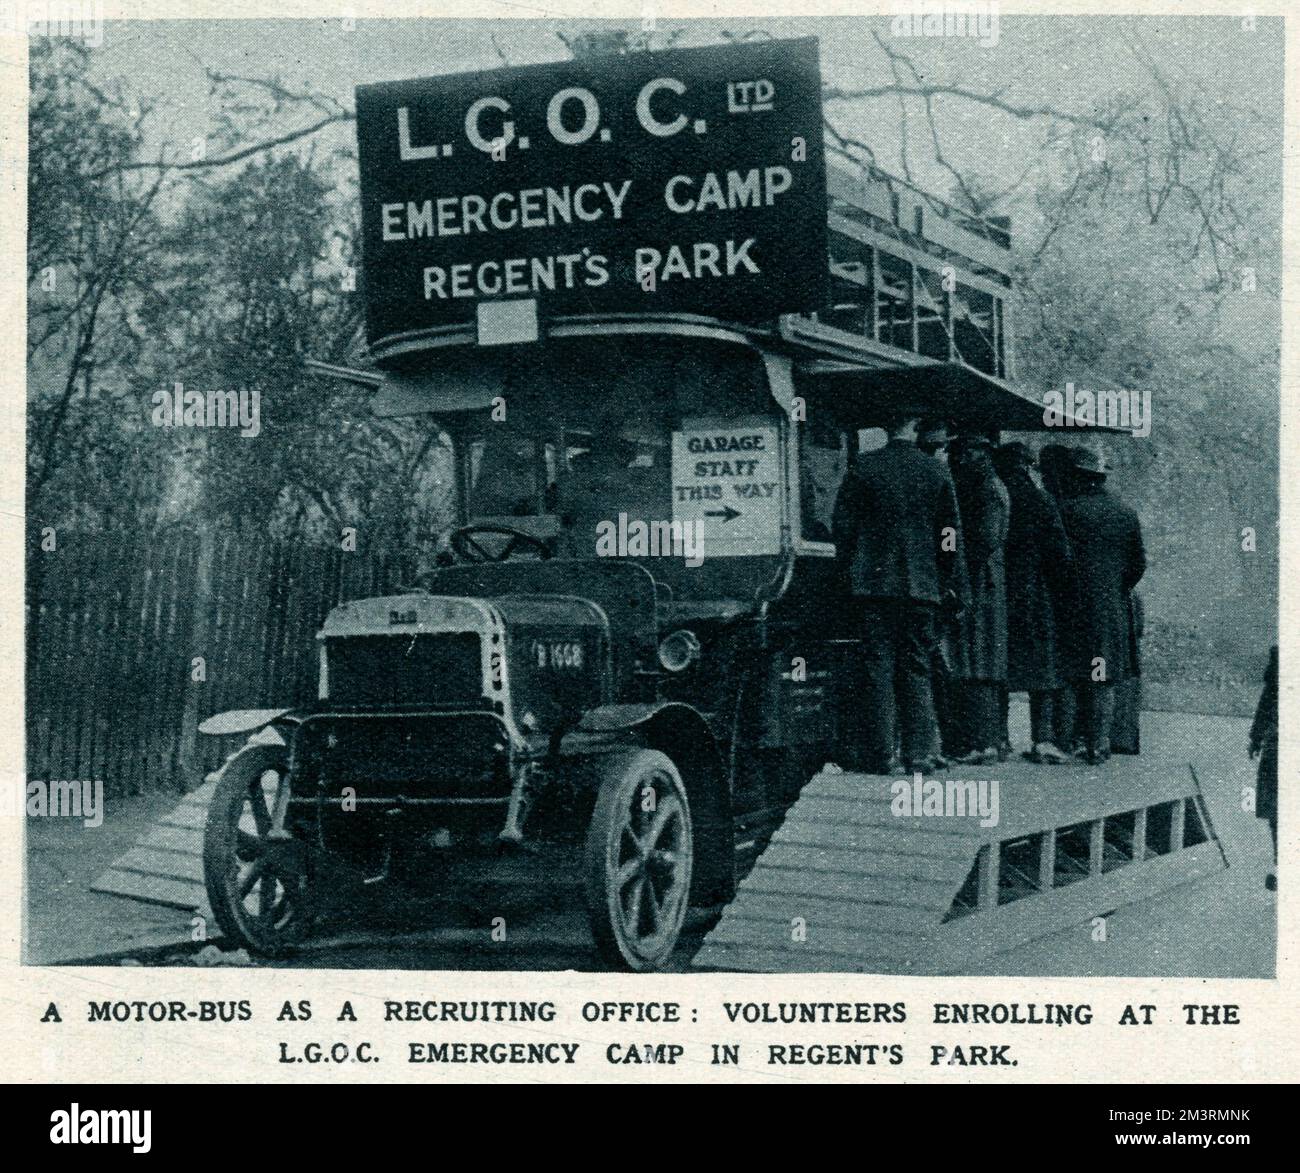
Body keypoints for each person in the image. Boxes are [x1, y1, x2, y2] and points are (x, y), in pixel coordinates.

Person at [832, 413, 965, 774]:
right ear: (915, 427)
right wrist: (944, 574)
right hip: (922, 587)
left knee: (878, 666)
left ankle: (881, 755)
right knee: (916, 667)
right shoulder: (936, 472)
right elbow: (949, 534)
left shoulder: (864, 466)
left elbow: (843, 527)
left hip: (873, 586)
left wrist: (852, 566)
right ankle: (917, 755)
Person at [1057, 447, 1146, 764]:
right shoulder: (1125, 513)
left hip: (1074, 607)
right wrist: (1114, 589)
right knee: (1103, 677)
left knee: (1073, 674)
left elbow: (1058, 562)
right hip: (1111, 609)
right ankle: (1099, 743)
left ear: (1079, 478)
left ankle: (1074, 740)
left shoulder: (1067, 512)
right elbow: (1138, 565)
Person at [993, 442, 1076, 763]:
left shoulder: (998, 494)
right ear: (1028, 467)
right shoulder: (1041, 501)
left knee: (999, 667)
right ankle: (1041, 740)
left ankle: (998, 737)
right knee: (1043, 671)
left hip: (1000, 593)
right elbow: (1060, 554)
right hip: (1037, 596)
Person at [948, 435, 1009, 763]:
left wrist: (959, 570)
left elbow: (985, 538)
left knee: (978, 661)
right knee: (980, 660)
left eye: (967, 452)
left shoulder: (986, 489)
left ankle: (981, 743)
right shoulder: (989, 485)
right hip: (986, 582)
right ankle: (989, 741)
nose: (961, 457)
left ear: (983, 454)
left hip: (981, 583)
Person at [1249, 645, 1278, 891]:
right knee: (1276, 810)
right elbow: (1268, 699)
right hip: (1278, 745)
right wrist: (1256, 737)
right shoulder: (1280, 656)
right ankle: (1282, 865)